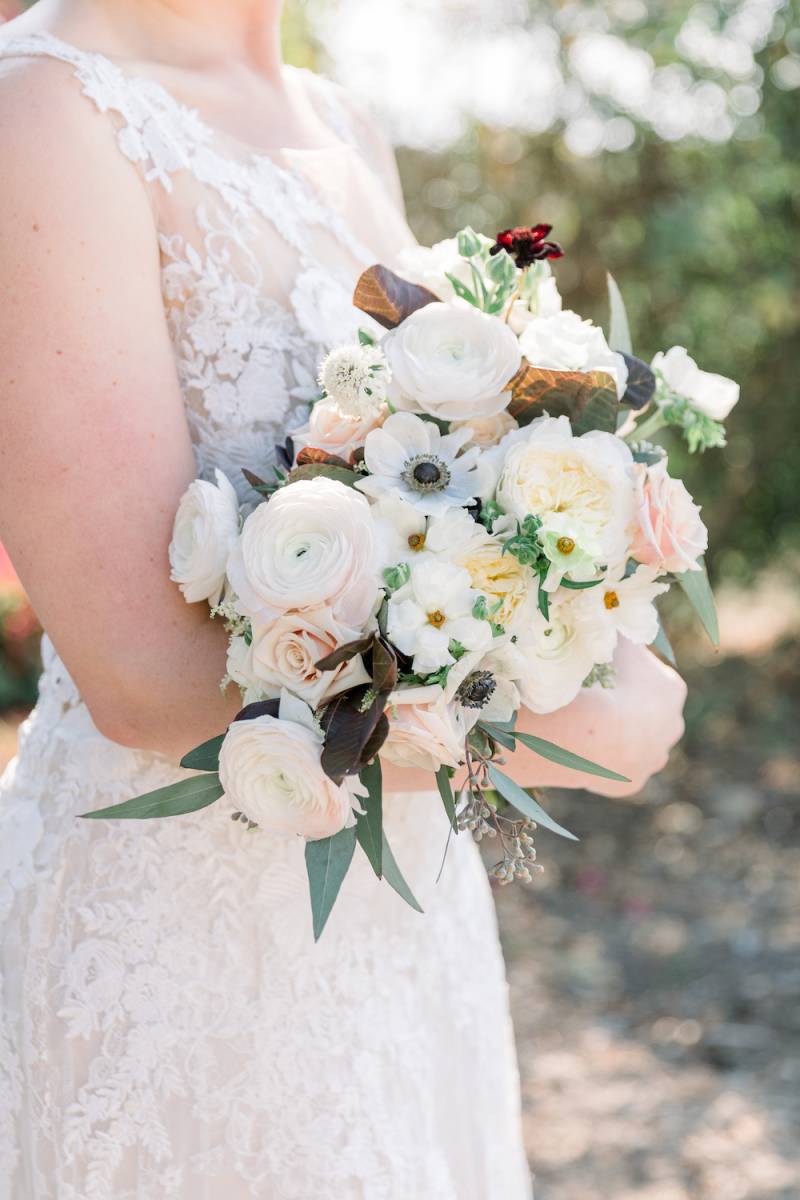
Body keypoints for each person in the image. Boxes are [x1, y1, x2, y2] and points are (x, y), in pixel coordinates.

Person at [0, 2, 687, 1195]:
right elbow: (144, 679)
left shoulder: (343, 124)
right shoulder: (40, 118)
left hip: (396, 925)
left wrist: (565, 600)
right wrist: (559, 731)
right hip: (180, 959)